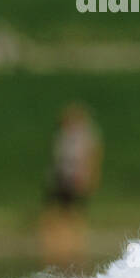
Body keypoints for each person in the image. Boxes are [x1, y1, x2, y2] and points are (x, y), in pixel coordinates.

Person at [40, 104, 102, 266]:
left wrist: (88, 177)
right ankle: (57, 244)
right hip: (61, 177)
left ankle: (76, 245)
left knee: (74, 211)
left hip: (74, 178)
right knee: (55, 211)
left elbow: (91, 158)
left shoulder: (85, 136)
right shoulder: (63, 135)